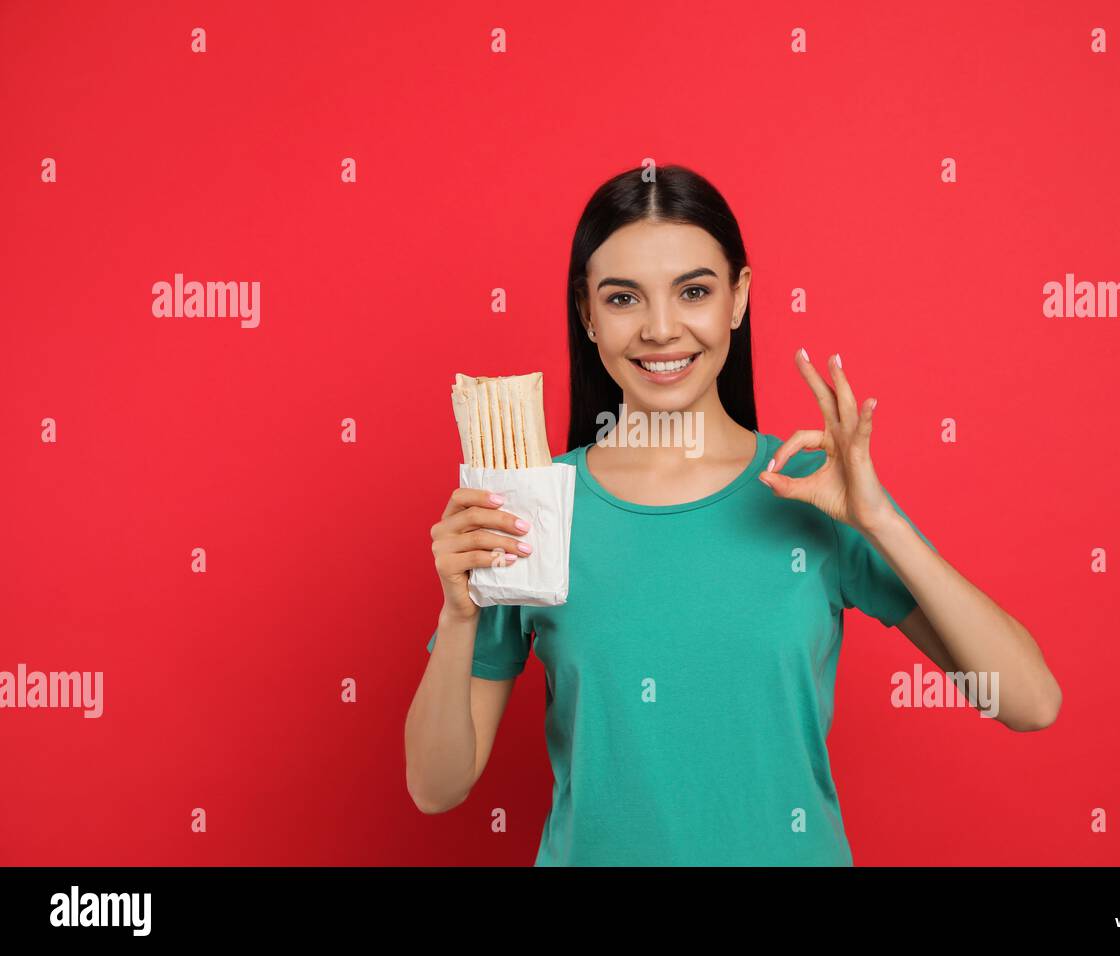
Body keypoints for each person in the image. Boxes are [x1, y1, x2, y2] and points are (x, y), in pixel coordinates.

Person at [404, 165, 1062, 866]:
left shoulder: (812, 489)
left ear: (738, 299)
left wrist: (880, 521)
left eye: (694, 291)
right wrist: (458, 616)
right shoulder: (530, 507)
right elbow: (436, 787)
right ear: (588, 314)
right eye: (624, 297)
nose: (662, 329)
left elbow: (1030, 702)